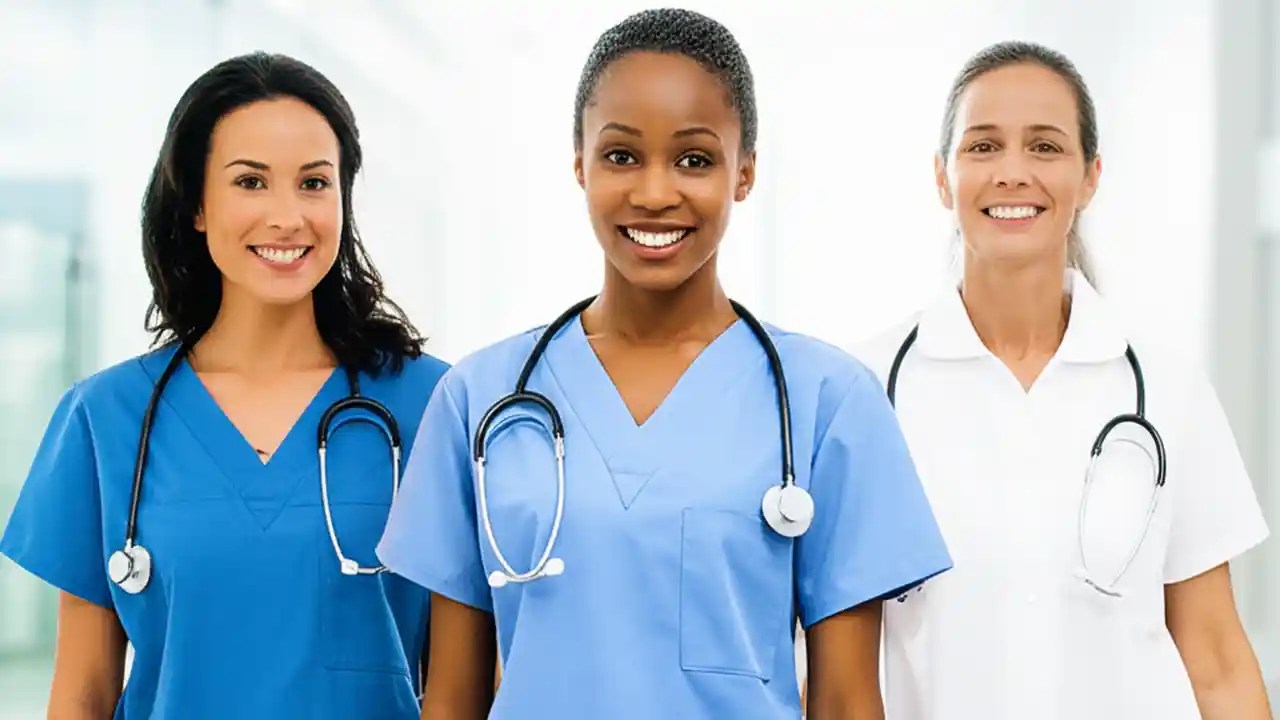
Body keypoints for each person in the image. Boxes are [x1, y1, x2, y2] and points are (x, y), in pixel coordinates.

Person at [375, 9, 952, 719]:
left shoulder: (827, 401)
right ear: (579, 162)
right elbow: (452, 699)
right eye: (621, 155)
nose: (655, 192)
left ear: (744, 172)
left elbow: (845, 701)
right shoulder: (480, 398)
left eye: (694, 159)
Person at [0, 52, 448, 719]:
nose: (288, 216)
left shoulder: (430, 405)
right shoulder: (107, 419)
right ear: (197, 206)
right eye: (251, 182)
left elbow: (468, 680)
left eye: (314, 183)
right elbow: (83, 692)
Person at [857, 40, 1273, 719]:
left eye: (1045, 147)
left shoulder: (1167, 388)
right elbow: (831, 669)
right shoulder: (866, 388)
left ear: (1090, 177)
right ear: (942, 177)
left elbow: (1218, 659)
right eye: (983, 146)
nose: (1013, 172)